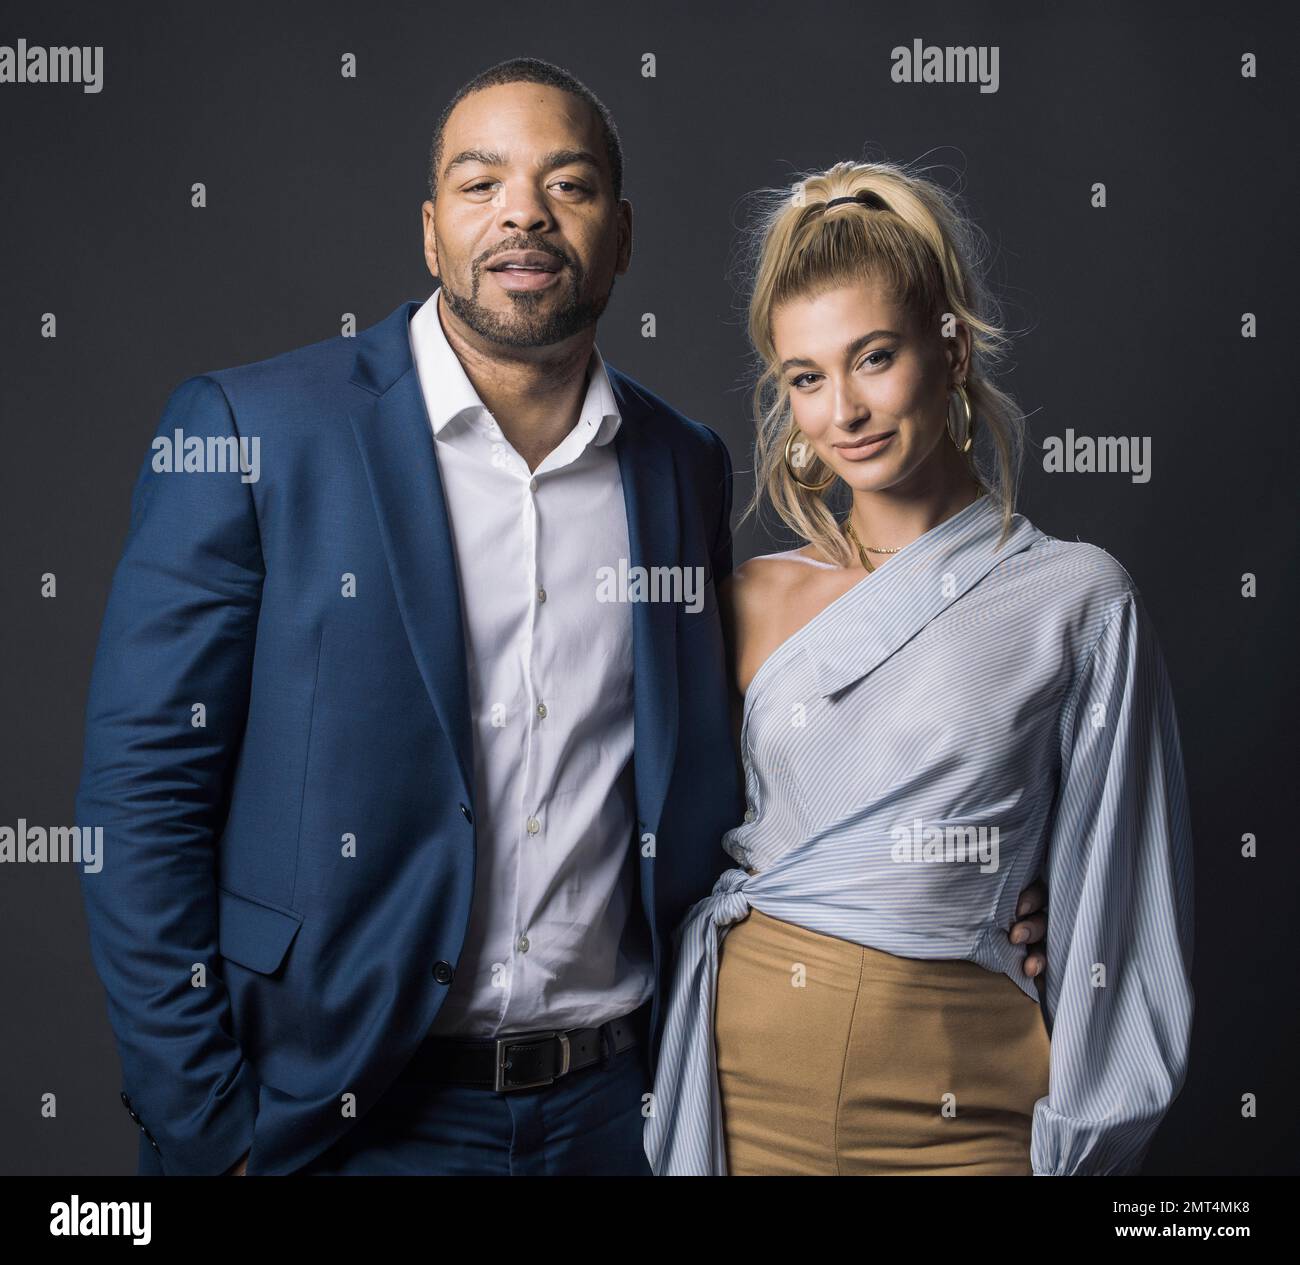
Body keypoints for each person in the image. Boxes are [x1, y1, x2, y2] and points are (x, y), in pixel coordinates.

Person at [74, 62, 1048, 1177]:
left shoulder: (679, 467)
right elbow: (139, 794)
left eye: (567, 184)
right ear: (432, 231)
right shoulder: (254, 430)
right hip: (333, 1115)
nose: (524, 211)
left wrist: (986, 881)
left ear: (622, 235)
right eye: (481, 182)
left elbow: (757, 773)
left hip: (616, 1113)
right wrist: (205, 1130)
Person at [644, 160, 1195, 1177]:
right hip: (741, 1089)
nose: (842, 409)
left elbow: (1121, 901)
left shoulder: (1076, 596)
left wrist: (1027, 911)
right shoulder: (745, 597)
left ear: (948, 346)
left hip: (964, 1107)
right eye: (806, 377)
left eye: (874, 357)